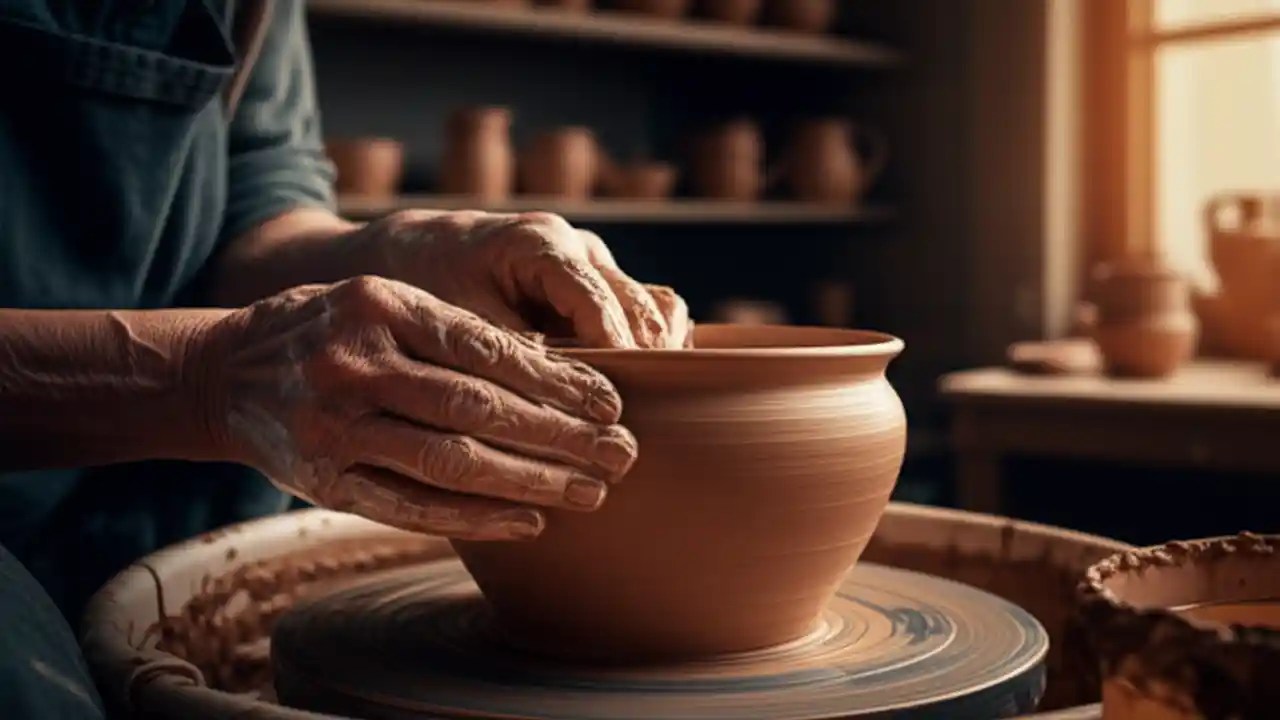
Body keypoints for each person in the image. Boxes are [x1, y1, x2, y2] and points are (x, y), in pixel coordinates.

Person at [0, 1, 690, 716]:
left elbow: (257, 211)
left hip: (169, 481)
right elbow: (215, 376)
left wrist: (406, 250)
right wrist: (201, 380)